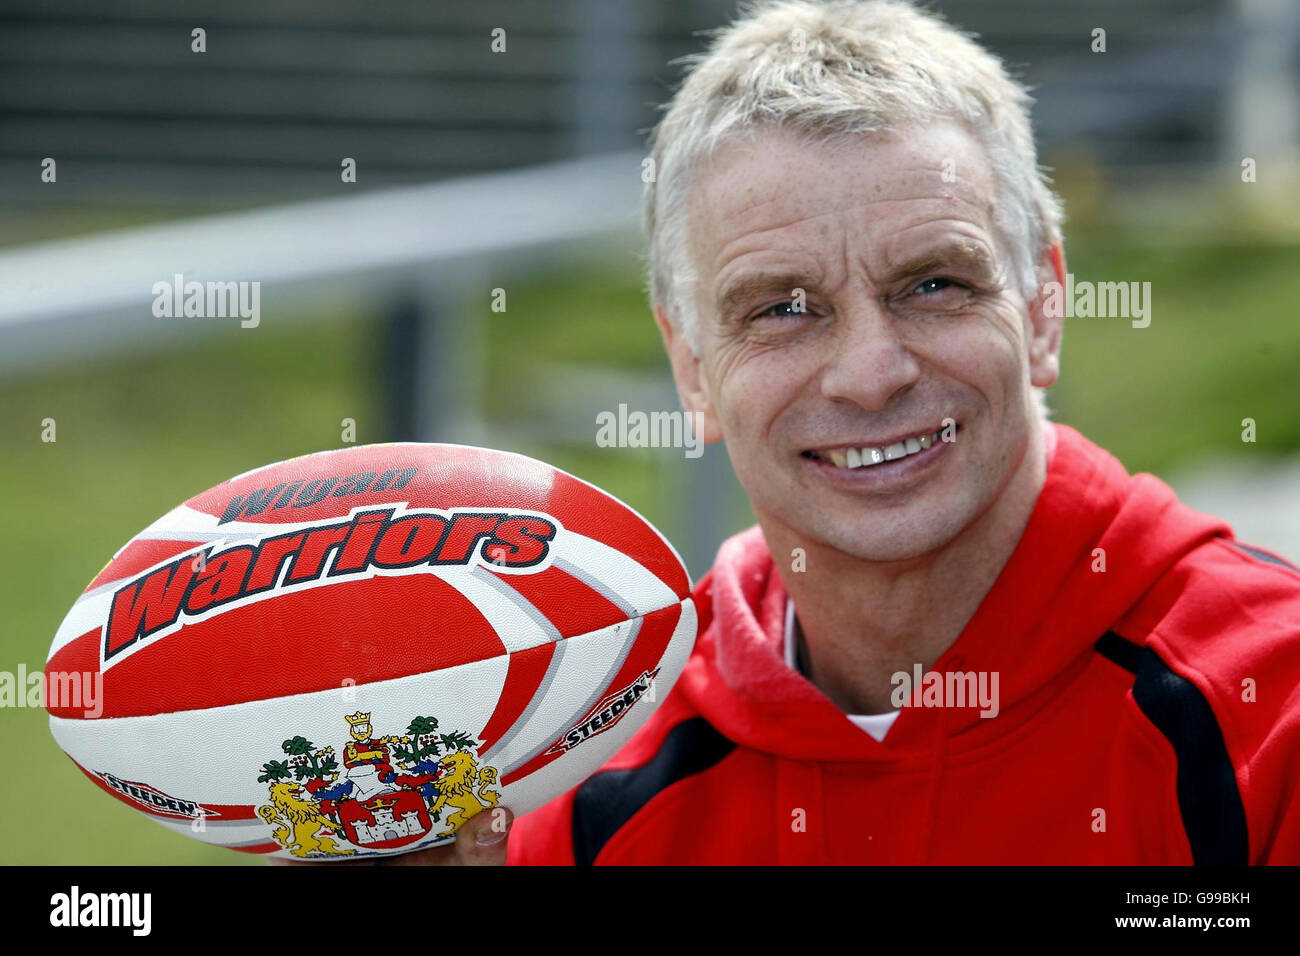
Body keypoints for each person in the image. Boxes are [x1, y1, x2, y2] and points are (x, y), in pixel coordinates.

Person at [325, 0, 1300, 865]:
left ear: (1043, 304)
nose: (871, 374)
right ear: (690, 367)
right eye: (781, 308)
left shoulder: (1267, 707)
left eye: (933, 283)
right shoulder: (575, 777)